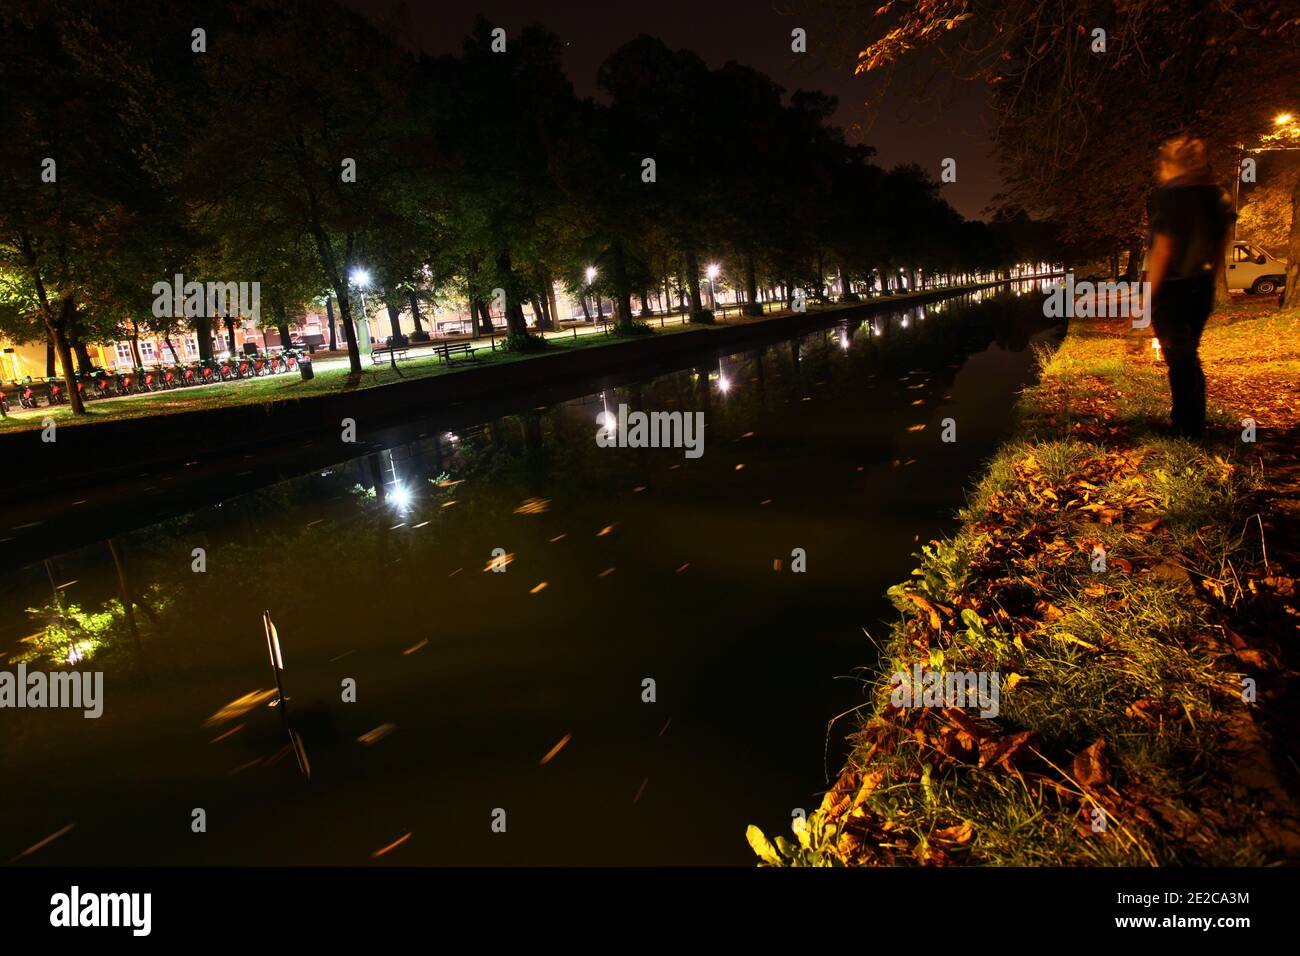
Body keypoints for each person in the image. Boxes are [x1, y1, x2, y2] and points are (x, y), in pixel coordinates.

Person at [1144, 135, 1235, 439]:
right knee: (1189, 354)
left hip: (1174, 289)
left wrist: (1146, 301)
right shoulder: (1218, 196)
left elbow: (1163, 250)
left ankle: (1186, 428)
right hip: (1201, 286)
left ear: (1171, 164)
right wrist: (1210, 278)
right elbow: (1221, 246)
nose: (1159, 171)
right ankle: (1192, 420)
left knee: (1178, 358)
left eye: (1162, 164)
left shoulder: (1172, 197)